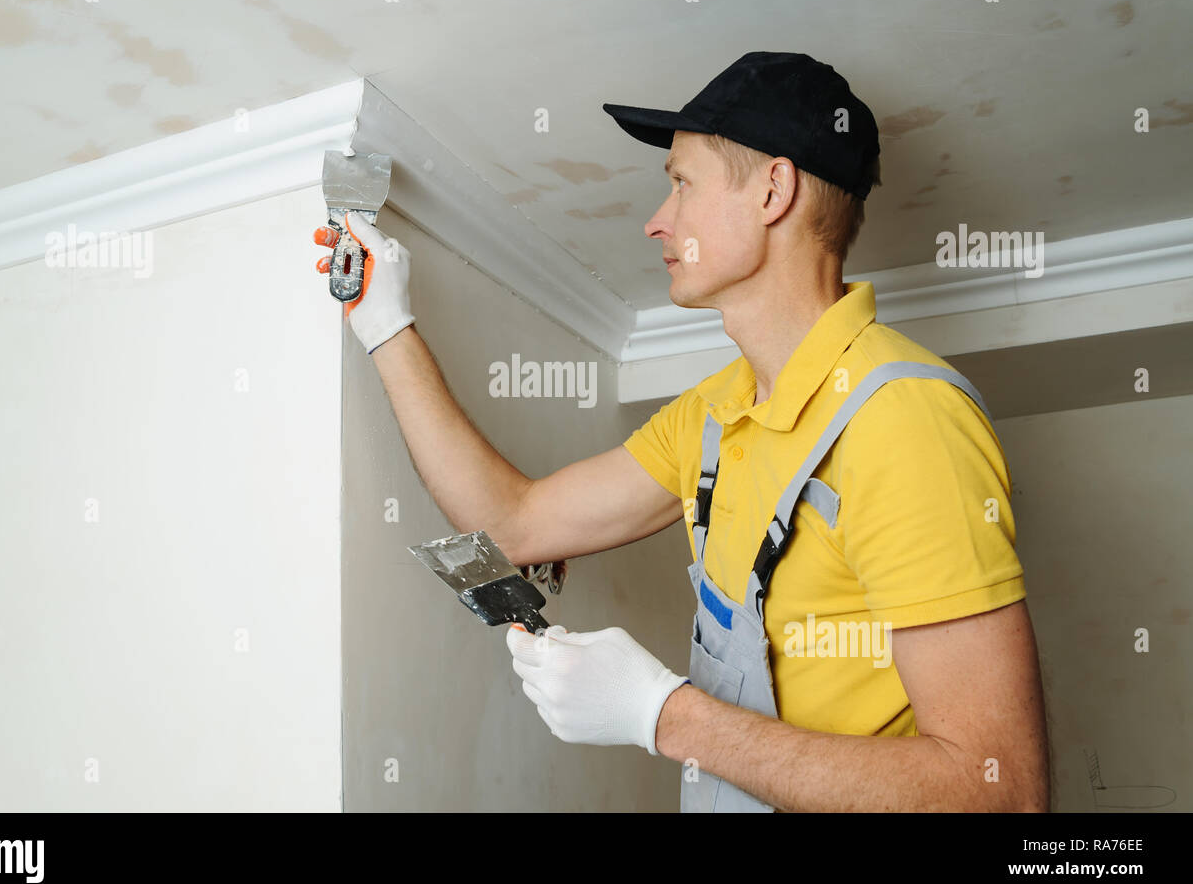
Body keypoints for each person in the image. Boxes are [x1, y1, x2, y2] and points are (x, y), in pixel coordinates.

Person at [336, 52, 1049, 813]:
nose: (657, 220)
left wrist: (662, 714)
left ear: (774, 190)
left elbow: (1001, 792)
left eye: (681, 183)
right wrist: (385, 324)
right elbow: (512, 523)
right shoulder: (710, 415)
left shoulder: (903, 417)